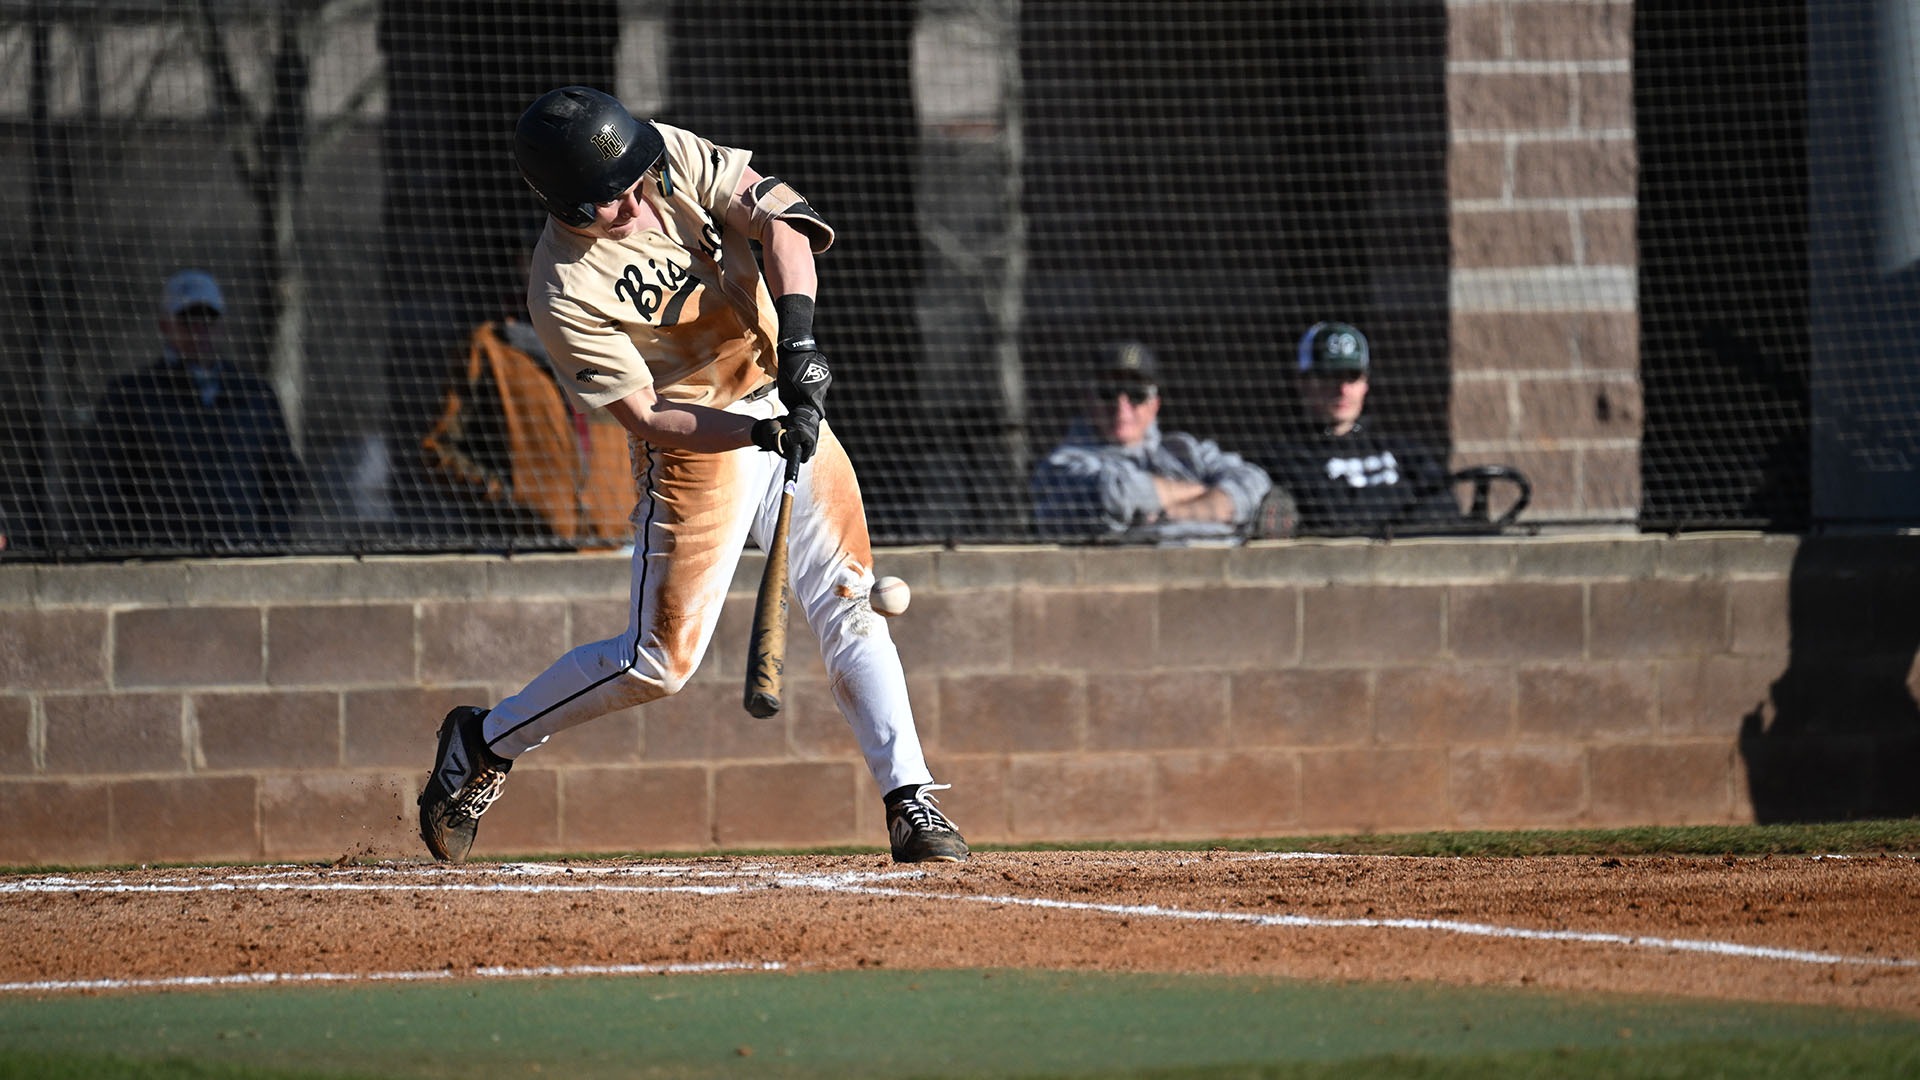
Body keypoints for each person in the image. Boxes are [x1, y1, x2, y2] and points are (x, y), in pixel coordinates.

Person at [416, 86, 967, 864]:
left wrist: (801, 345)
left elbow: (780, 223)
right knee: (659, 665)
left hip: (781, 393)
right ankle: (485, 738)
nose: (637, 204)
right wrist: (756, 431)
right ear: (564, 205)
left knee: (850, 600)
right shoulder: (563, 289)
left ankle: (909, 800)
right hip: (696, 445)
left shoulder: (659, 154)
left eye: (637, 182)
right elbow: (644, 417)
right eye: (609, 202)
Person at [84, 269, 304, 550]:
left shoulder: (254, 395)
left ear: (221, 323)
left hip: (243, 559)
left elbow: (283, 479)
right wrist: (125, 553)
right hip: (158, 561)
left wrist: (270, 541)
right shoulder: (132, 397)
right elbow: (102, 485)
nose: (199, 329)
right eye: (187, 319)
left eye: (208, 318)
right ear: (165, 324)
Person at [1032, 341, 1280, 544]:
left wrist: (1168, 513)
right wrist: (1205, 492)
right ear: (1088, 398)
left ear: (1154, 404)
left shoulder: (1187, 451)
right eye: (1107, 392)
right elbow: (1114, 495)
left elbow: (1254, 481)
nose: (1121, 408)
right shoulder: (1062, 463)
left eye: (1136, 394)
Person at [1258, 321, 1461, 536]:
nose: (1342, 390)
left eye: (1352, 377)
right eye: (1329, 377)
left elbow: (1445, 508)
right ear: (1302, 382)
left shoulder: (1405, 453)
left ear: (1365, 384)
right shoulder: (1281, 461)